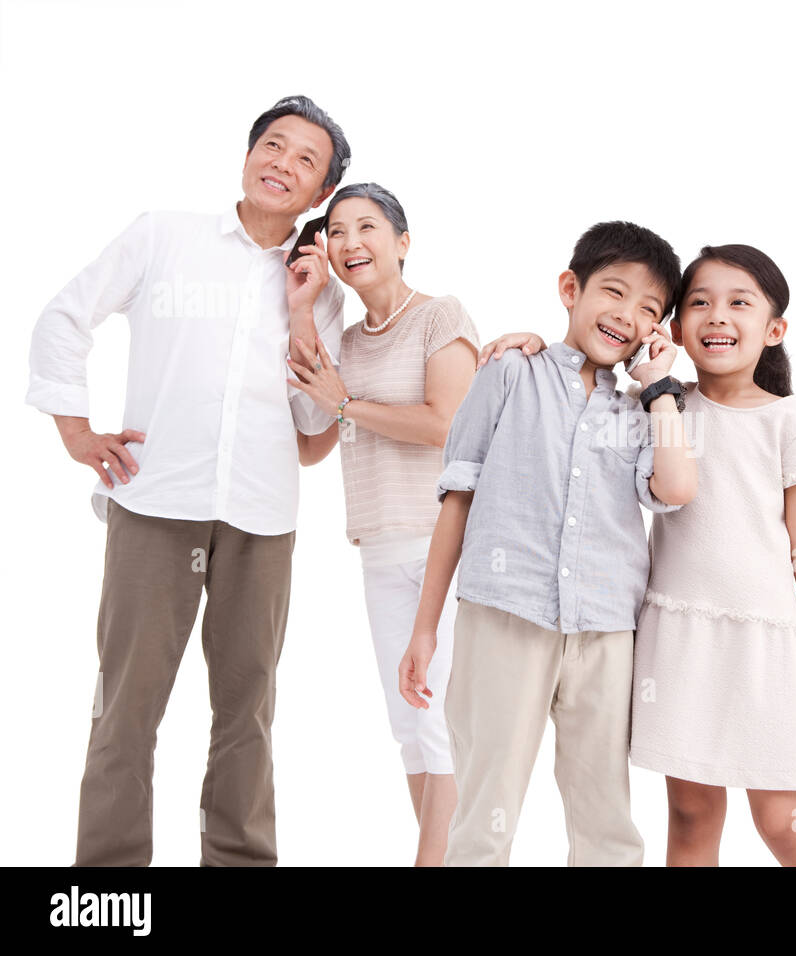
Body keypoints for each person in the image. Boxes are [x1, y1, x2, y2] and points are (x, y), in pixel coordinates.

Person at [483, 244, 796, 866]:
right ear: (671, 329)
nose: (716, 316)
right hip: (679, 637)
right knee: (691, 812)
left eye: (739, 303)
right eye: (698, 303)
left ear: (774, 329)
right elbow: (585, 389)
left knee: (783, 822)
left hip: (766, 642)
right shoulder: (655, 409)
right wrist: (537, 344)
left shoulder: (792, 419)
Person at [25, 94, 350, 866]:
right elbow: (64, 318)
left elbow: (314, 440)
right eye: (274, 145)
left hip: (261, 521)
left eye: (307, 160)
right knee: (125, 708)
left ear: (322, 194)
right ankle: (109, 880)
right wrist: (75, 428)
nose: (284, 164)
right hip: (155, 505)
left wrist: (304, 313)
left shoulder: (324, 290)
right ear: (247, 154)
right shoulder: (163, 235)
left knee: (247, 712)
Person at [397, 221, 698, 866]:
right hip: (505, 613)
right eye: (613, 292)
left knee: (606, 820)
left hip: (606, 629)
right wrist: (426, 628)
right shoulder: (510, 372)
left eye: (650, 309)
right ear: (570, 288)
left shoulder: (642, 410)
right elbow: (458, 497)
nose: (627, 315)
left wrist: (661, 389)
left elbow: (673, 490)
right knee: (485, 813)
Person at [285, 183, 479, 866]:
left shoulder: (440, 316)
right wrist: (303, 312)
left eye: (368, 227)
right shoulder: (346, 342)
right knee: (410, 728)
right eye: (336, 232)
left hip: (442, 548)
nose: (350, 242)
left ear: (402, 242)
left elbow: (446, 427)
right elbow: (313, 443)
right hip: (378, 551)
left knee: (443, 725)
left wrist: (348, 402)